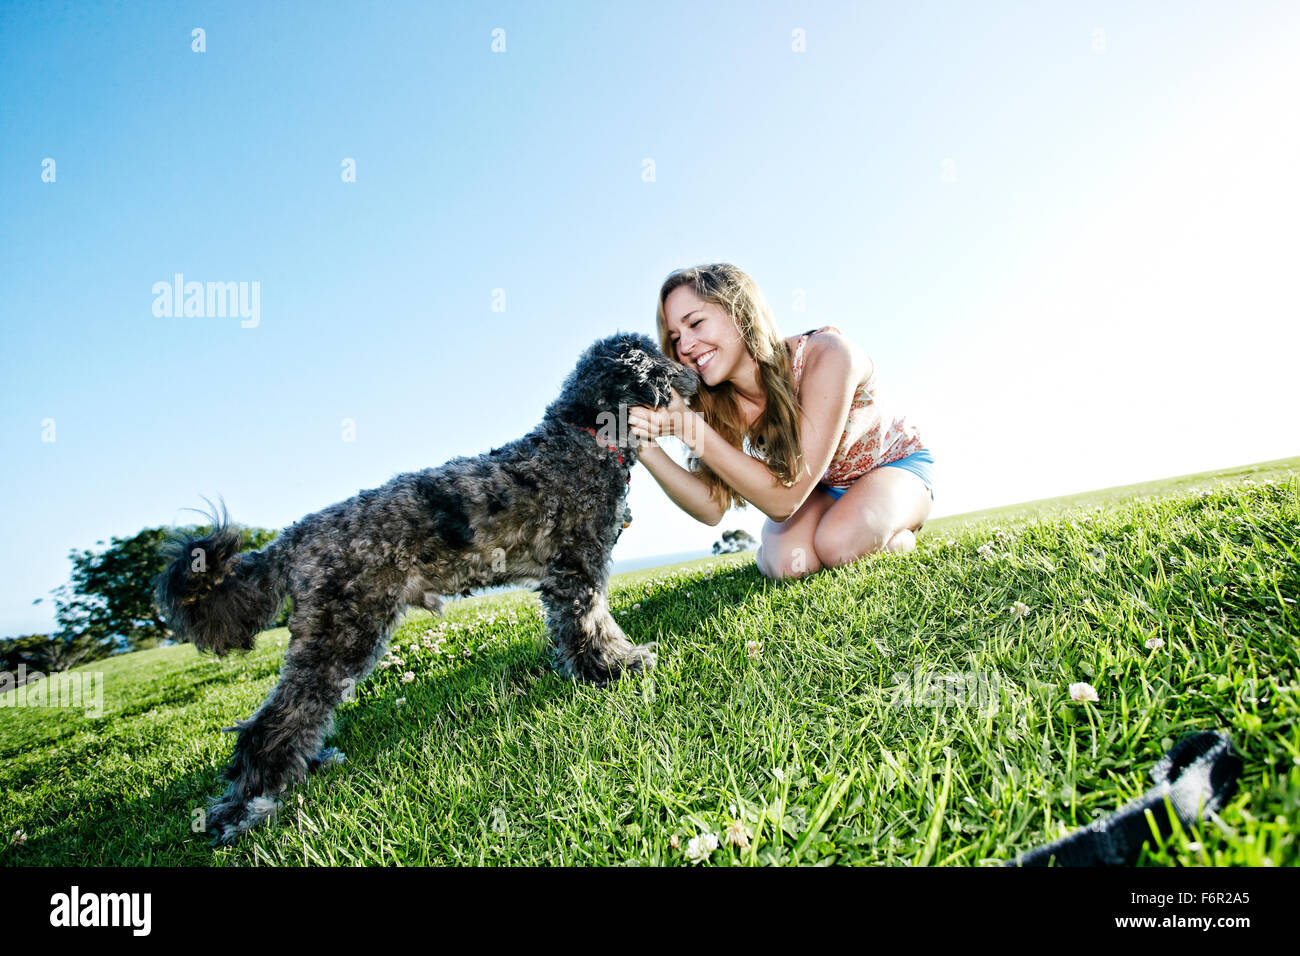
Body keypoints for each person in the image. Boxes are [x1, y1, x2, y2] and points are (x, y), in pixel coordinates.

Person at [627, 263, 934, 580]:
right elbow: (711, 507)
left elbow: (785, 500)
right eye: (675, 338)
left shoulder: (828, 355)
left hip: (895, 468)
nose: (685, 347)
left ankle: (896, 535)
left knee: (837, 545)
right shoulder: (721, 402)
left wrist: (687, 426)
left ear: (739, 311)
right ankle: (848, 524)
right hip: (822, 488)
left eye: (695, 323)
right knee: (788, 565)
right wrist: (642, 445)